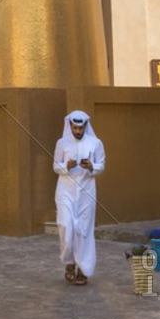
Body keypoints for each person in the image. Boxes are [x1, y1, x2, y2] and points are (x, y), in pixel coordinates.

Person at [53, 109, 104, 285]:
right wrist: (67, 165)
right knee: (66, 227)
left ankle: (83, 269)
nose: (78, 132)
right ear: (70, 126)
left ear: (85, 127)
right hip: (65, 191)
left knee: (83, 230)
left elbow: (101, 165)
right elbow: (55, 166)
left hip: (87, 192)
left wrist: (91, 166)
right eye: (75, 128)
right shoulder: (62, 143)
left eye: (80, 128)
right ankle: (69, 263)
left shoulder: (96, 143)